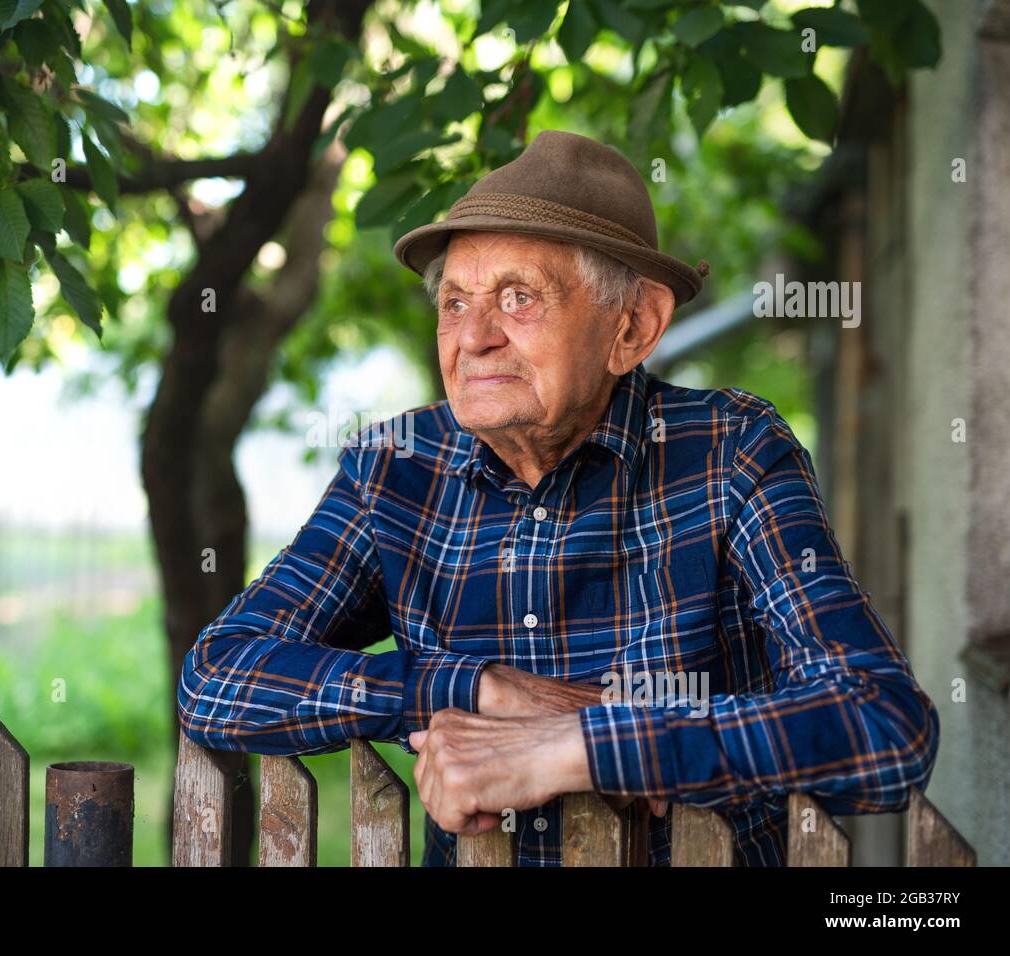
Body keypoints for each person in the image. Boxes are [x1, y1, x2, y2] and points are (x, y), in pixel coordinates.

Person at [176, 130, 939, 865]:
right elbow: (218, 676)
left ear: (632, 328)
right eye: (454, 302)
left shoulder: (733, 453)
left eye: (517, 298)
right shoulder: (394, 469)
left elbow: (883, 725)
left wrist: (583, 745)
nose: (472, 337)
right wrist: (473, 688)